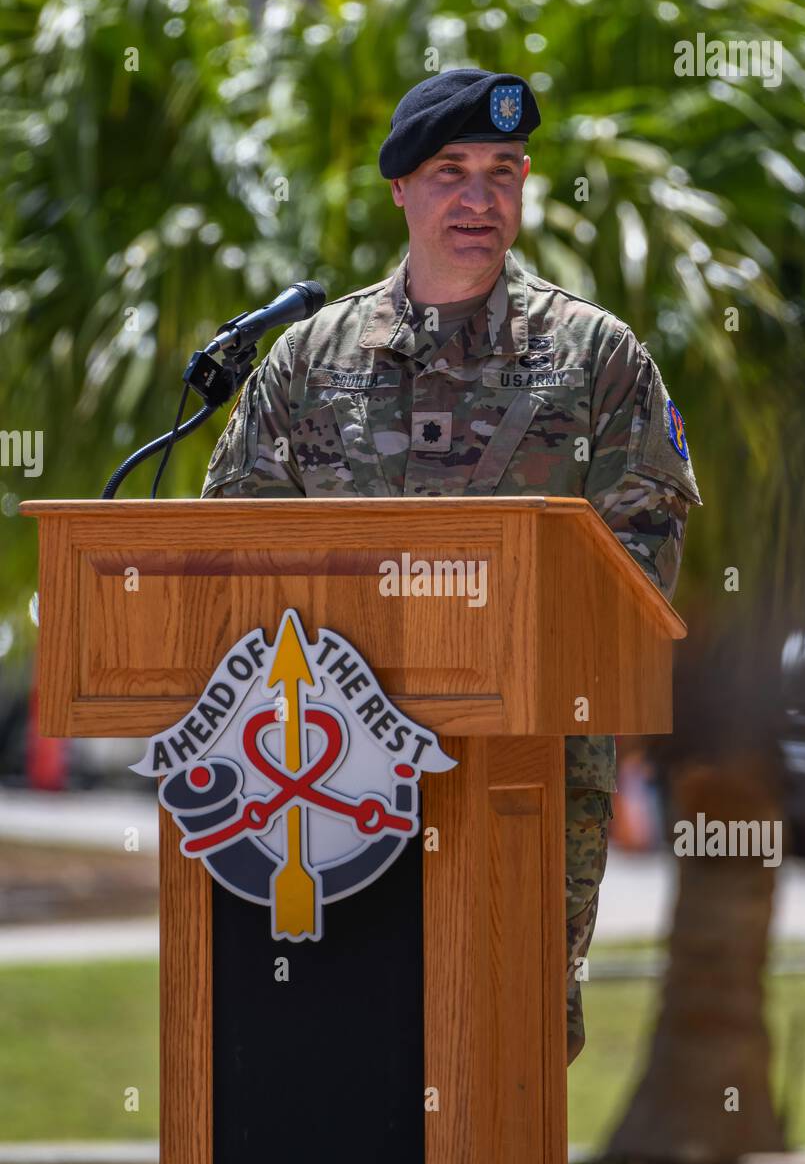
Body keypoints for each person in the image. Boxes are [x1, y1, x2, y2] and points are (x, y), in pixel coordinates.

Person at [201, 68, 702, 1065]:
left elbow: (640, 562)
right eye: (450, 171)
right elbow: (230, 552)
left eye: (503, 171)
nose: (480, 197)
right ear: (400, 188)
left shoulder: (595, 357)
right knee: (338, 1056)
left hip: (529, 773)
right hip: (330, 783)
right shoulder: (307, 359)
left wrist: (505, 642)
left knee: (508, 1046)